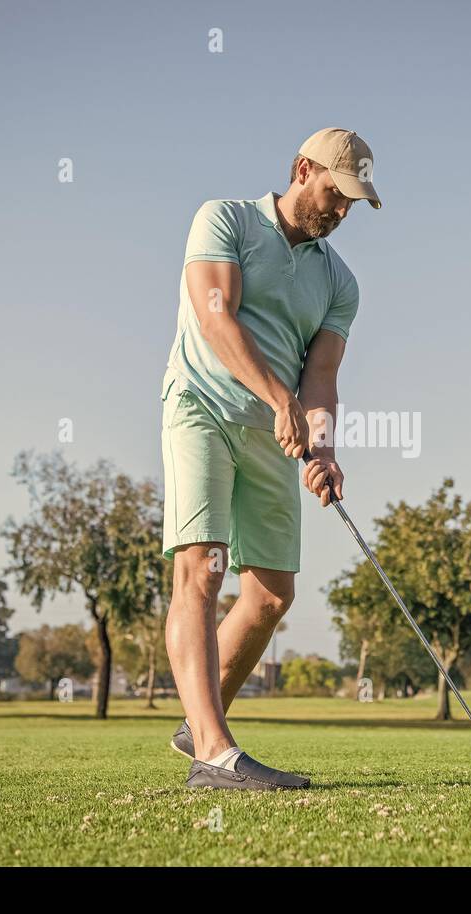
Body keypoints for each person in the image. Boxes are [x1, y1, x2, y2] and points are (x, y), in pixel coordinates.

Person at [158, 128, 381, 790]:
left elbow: (323, 378)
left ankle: (199, 722)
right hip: (200, 406)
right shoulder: (224, 219)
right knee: (202, 568)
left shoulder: (340, 282)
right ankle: (214, 755)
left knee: (271, 591)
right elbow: (214, 318)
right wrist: (279, 397)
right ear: (301, 169)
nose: (340, 212)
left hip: (273, 431)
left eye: (352, 204)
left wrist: (323, 445)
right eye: (334, 195)